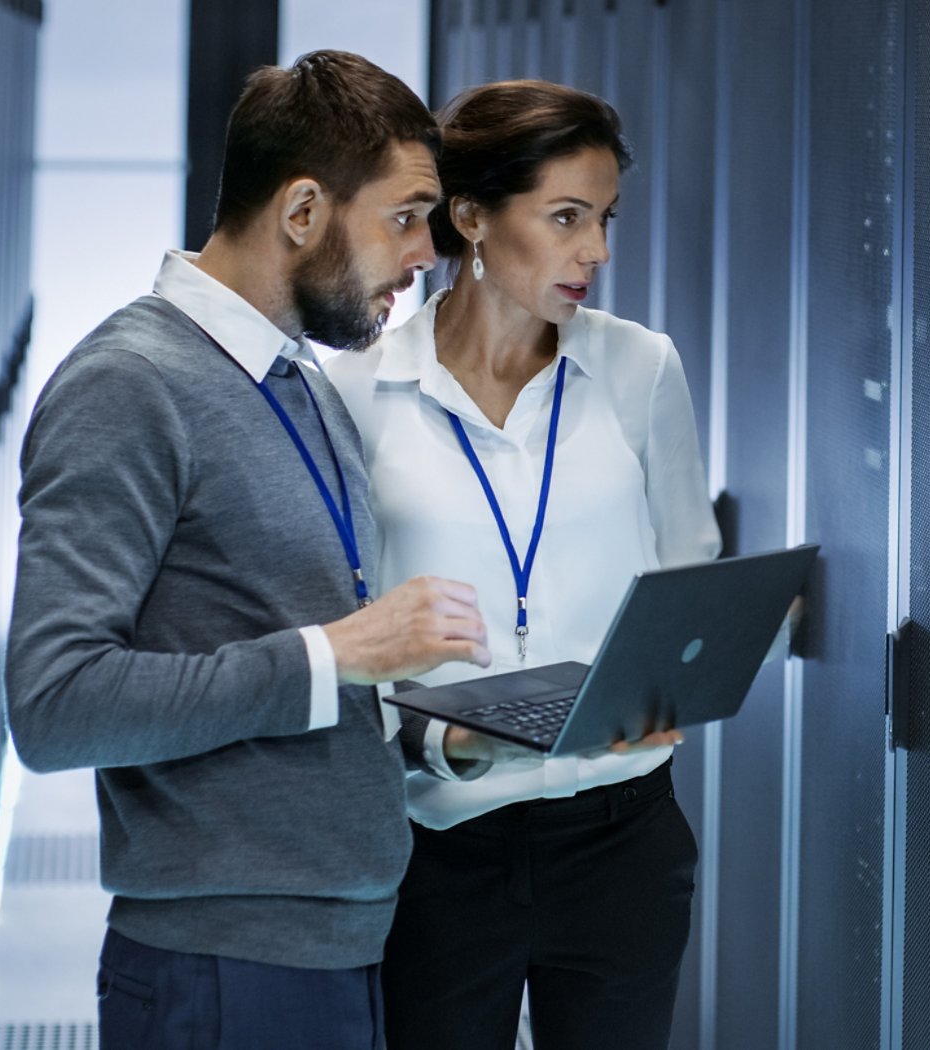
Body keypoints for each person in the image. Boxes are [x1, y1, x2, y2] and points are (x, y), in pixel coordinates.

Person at [5, 50, 491, 1050]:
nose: (426, 253)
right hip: (223, 972)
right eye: (404, 216)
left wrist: (437, 733)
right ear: (303, 212)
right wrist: (341, 653)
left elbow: (284, 656)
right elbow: (54, 706)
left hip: (340, 945)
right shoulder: (127, 388)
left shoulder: (298, 384)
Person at [324, 80, 722, 1050]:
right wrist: (423, 737)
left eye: (603, 219)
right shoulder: (355, 391)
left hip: (620, 835)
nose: (595, 251)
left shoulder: (639, 369)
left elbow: (686, 571)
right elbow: (336, 623)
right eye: (564, 218)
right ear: (469, 218)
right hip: (439, 845)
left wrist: (669, 685)